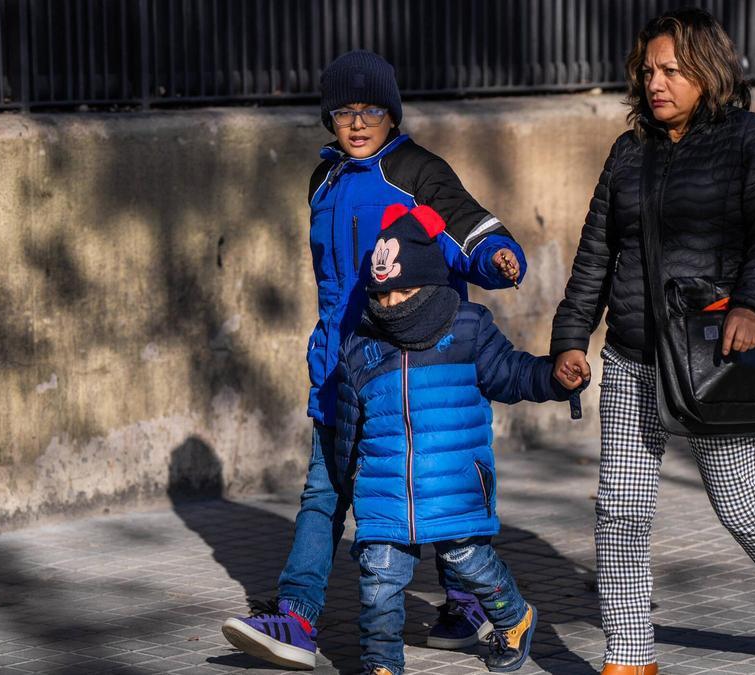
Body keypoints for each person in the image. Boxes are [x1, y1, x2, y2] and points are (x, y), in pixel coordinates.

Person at [549, 9, 755, 675]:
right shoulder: (629, 153)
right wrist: (570, 338)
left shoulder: (750, 139)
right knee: (622, 508)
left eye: (671, 70)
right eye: (648, 71)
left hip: (712, 355)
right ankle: (630, 655)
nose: (655, 83)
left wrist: (751, 303)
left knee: (738, 499)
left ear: (707, 73)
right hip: (631, 356)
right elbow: (595, 256)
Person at [221, 50, 526, 669]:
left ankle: (465, 601)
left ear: (392, 113)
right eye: (343, 112)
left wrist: (496, 254)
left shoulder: (417, 170)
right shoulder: (324, 181)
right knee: (323, 492)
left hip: (413, 369)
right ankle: (297, 616)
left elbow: (466, 232)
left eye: (371, 110)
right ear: (328, 119)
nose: (357, 123)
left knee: (432, 485)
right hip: (340, 369)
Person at [337, 204, 582, 674]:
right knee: (379, 580)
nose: (391, 306)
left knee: (468, 558)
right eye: (381, 296)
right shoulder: (361, 347)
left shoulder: (468, 328)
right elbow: (350, 425)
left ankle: (514, 618)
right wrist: (347, 480)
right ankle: (381, 663)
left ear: (430, 285)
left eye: (403, 292)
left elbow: (511, 375)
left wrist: (554, 377)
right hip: (384, 492)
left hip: (454, 484)